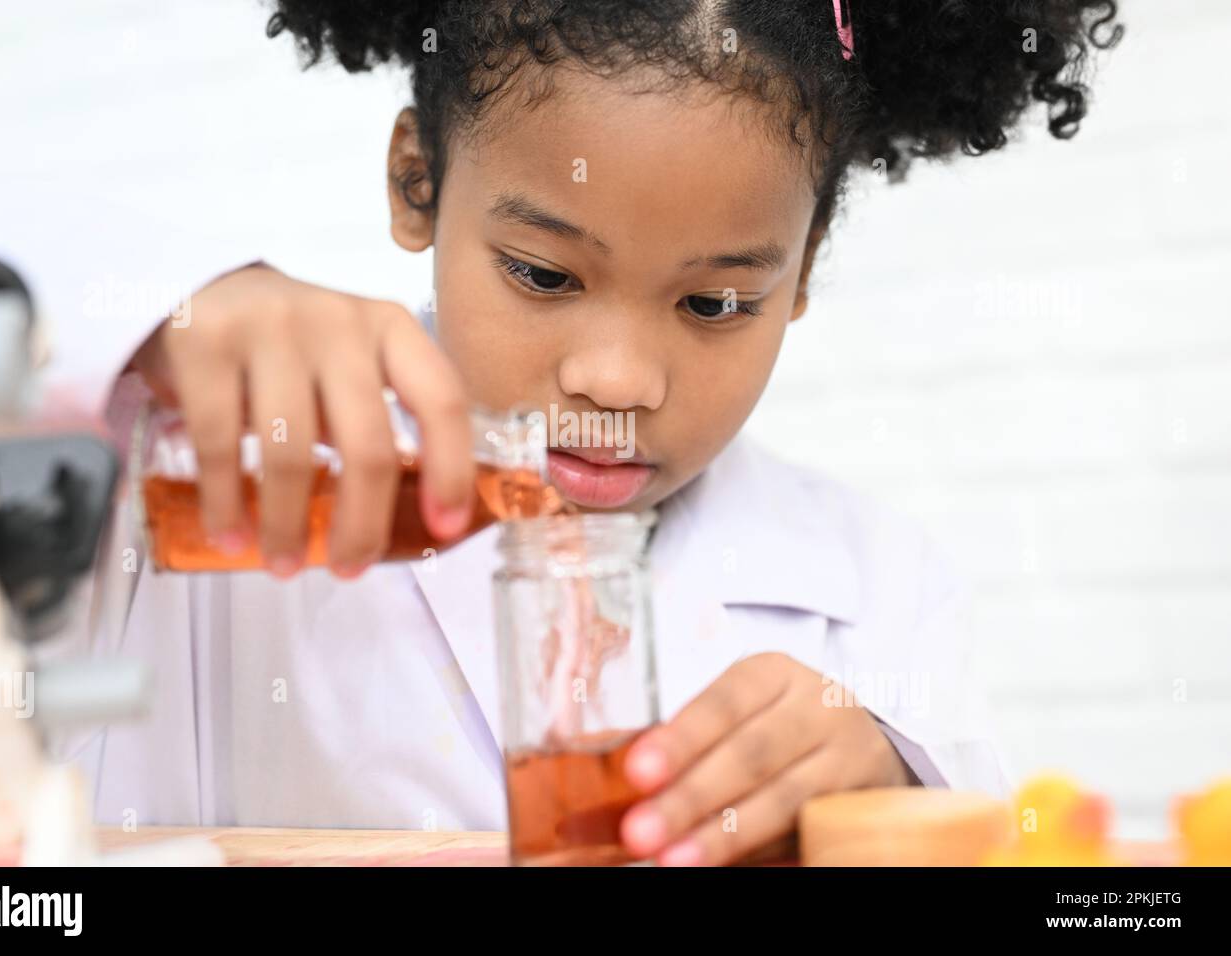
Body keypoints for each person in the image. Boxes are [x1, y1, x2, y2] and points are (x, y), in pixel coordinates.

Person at [62, 0, 1121, 865]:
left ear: (800, 267)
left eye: (713, 303)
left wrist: (886, 793)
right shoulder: (218, 461)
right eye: (542, 274)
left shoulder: (877, 583)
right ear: (416, 178)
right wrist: (167, 316)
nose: (615, 379)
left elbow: (1002, 835)